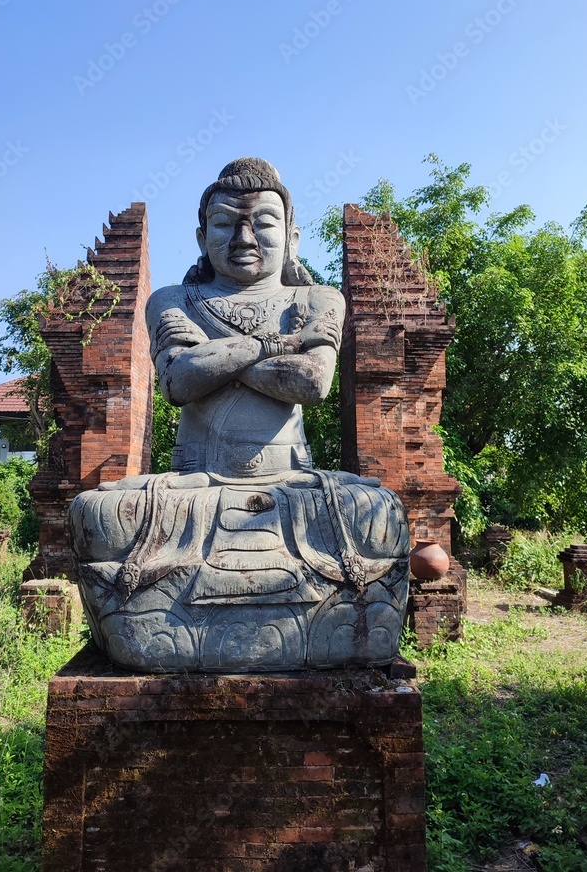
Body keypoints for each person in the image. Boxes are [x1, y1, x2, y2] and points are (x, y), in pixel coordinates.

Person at [71, 158, 410, 672]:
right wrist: (272, 344)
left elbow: (311, 382)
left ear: (290, 236)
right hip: (195, 486)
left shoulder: (316, 298)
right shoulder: (174, 299)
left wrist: (215, 356)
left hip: (292, 484)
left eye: (263, 223)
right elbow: (180, 382)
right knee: (98, 516)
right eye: (227, 223)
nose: (245, 238)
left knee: (377, 510)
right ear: (203, 235)